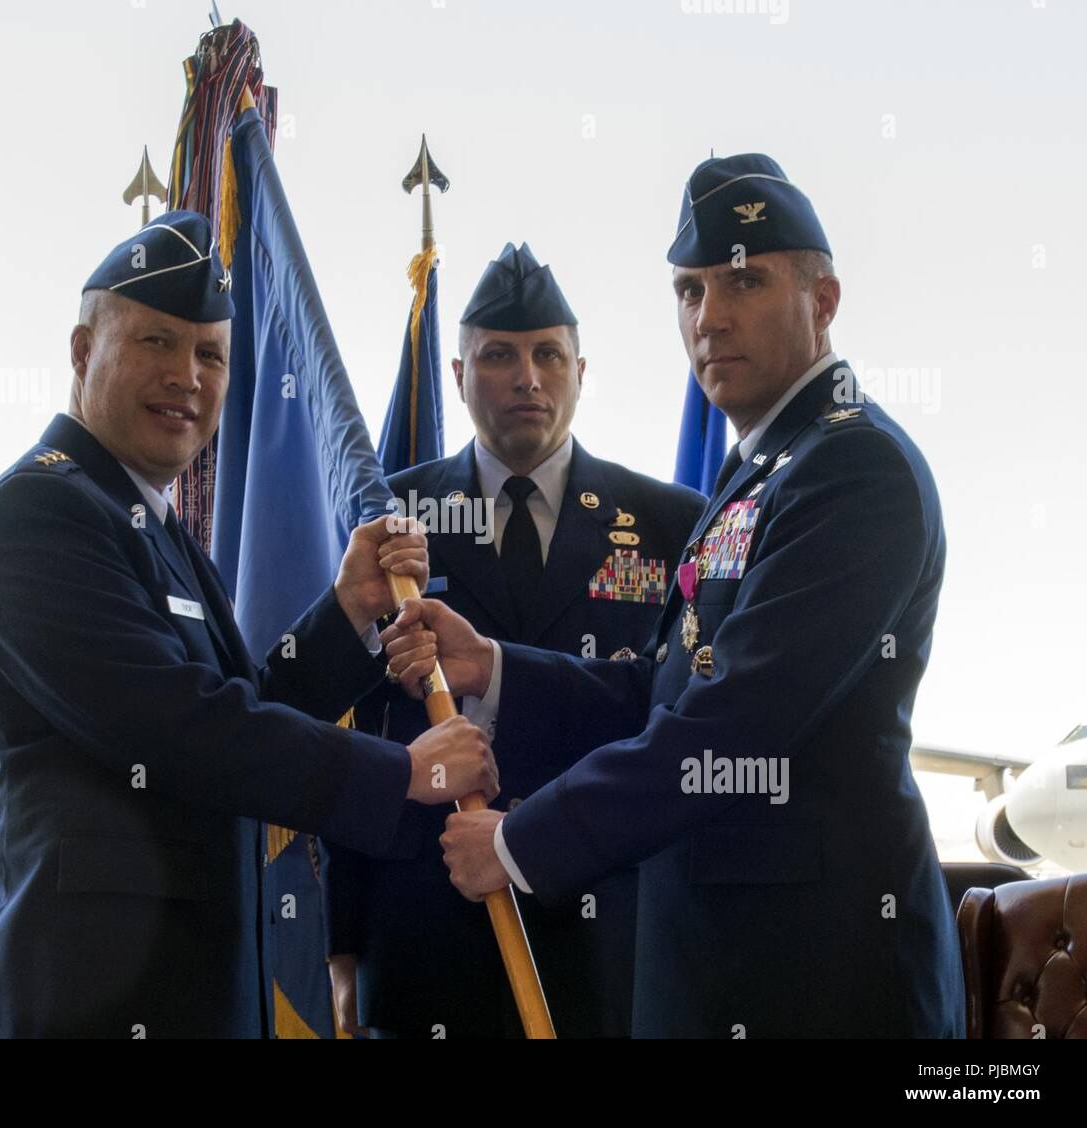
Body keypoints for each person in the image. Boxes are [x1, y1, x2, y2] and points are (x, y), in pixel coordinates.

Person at [390, 155, 966, 1038]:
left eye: (743, 281)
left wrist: (518, 842)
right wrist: (497, 668)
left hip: (818, 979)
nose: (711, 317)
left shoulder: (853, 467)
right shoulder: (761, 468)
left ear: (825, 300)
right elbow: (666, 686)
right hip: (719, 964)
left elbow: (734, 720)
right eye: (689, 291)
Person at [0, 210, 497, 1038]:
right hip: (79, 1002)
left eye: (210, 354)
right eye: (156, 343)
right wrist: (400, 774)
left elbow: (235, 699)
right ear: (82, 351)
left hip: (192, 996)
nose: (188, 376)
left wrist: (346, 611)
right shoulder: (41, 513)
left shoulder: (151, 524)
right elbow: (175, 728)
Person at [325, 243, 704, 1038]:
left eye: (547, 355)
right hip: (427, 928)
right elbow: (352, 726)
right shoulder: (392, 519)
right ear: (459, 375)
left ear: (579, 370)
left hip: (609, 928)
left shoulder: (673, 521)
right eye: (498, 356)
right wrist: (342, 941)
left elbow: (676, 722)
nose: (526, 377)